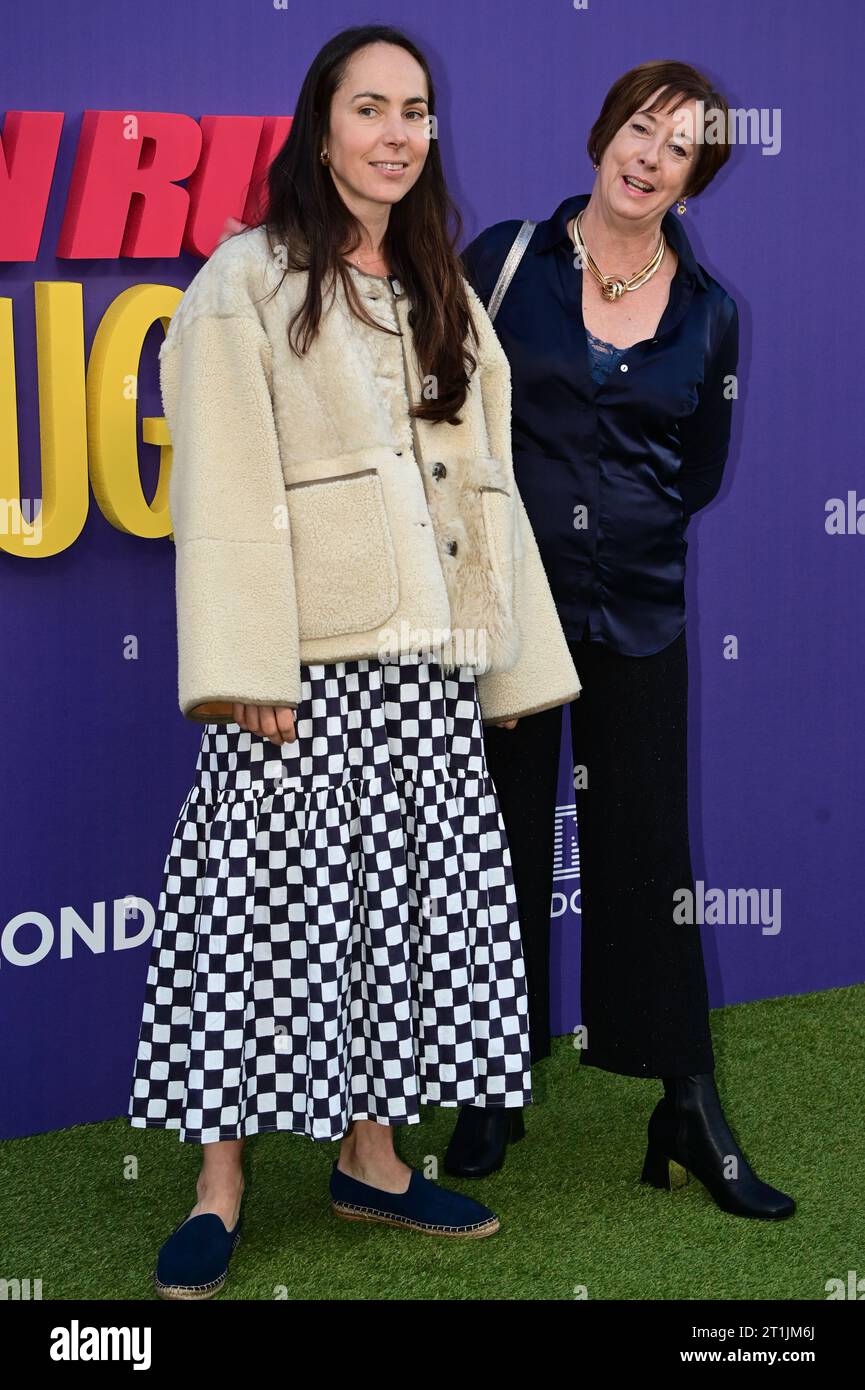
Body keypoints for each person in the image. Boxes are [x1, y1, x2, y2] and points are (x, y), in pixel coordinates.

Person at [127, 24, 581, 1299]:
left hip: (423, 668)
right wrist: (241, 665)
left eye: (416, 111)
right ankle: (219, 1184)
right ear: (318, 125)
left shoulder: (437, 278)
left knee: (393, 916)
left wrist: (494, 653)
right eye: (370, 107)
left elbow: (484, 485)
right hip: (296, 671)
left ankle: (370, 1160)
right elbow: (217, 489)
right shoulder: (245, 279)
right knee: (244, 916)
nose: (395, 133)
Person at [448, 60, 795, 1221]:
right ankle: (489, 1083)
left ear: (696, 178)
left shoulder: (712, 311)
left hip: (636, 612)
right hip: (502, 609)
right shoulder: (503, 262)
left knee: (651, 853)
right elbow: (440, 417)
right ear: (604, 132)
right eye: (640, 128)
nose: (649, 155)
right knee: (486, 842)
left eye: (679, 146)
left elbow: (694, 474)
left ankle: (686, 1104)